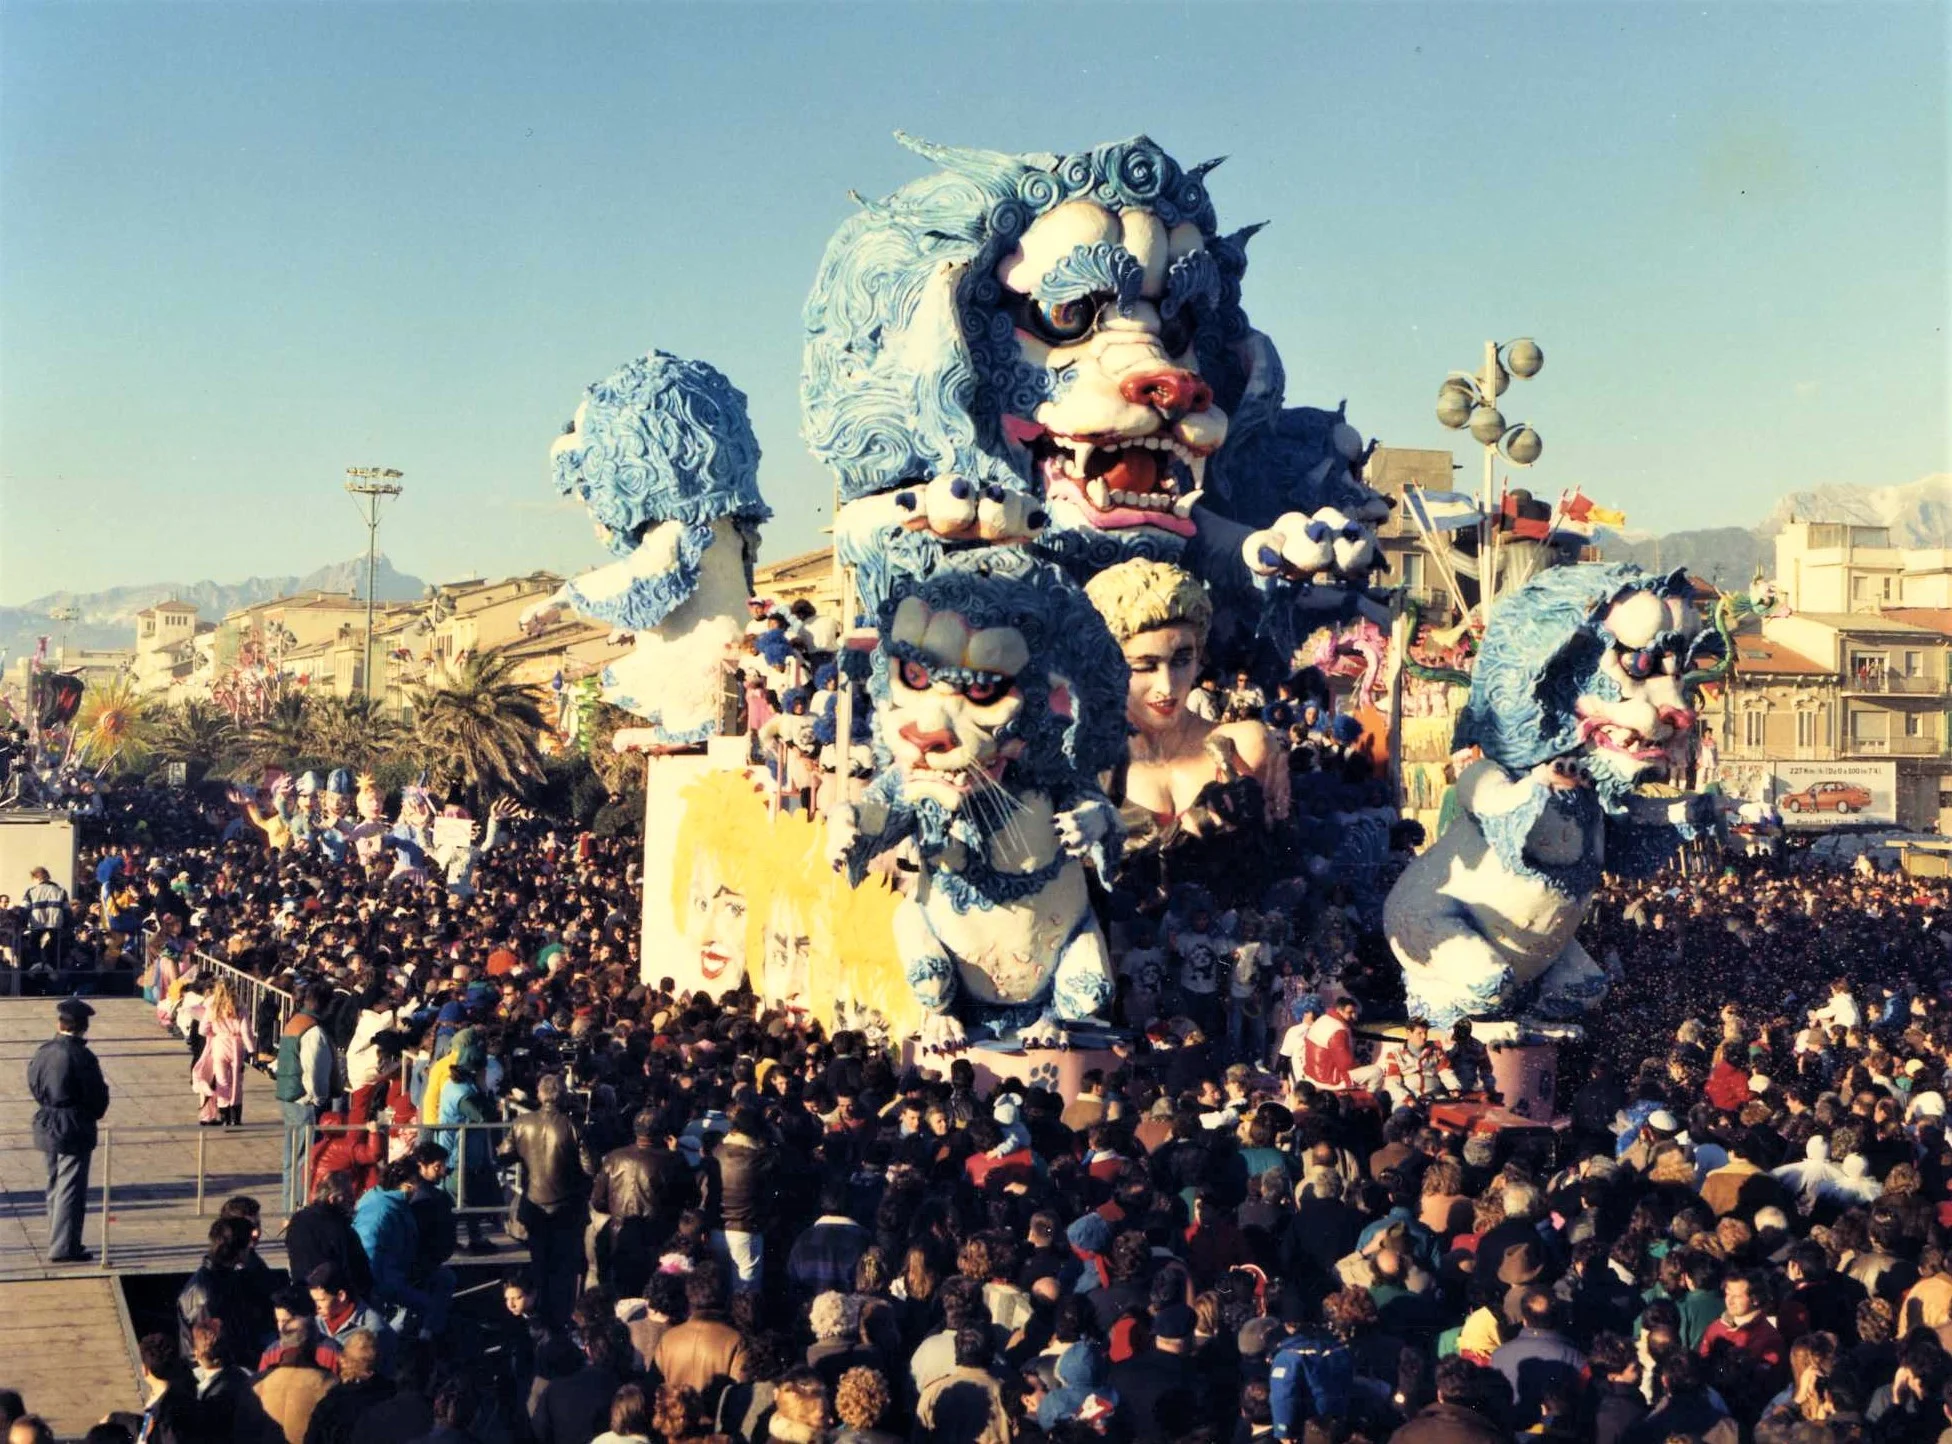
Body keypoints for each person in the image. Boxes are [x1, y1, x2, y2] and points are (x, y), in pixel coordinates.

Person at [27, 995, 110, 1262]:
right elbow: (96, 1095)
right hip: (73, 1123)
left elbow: (34, 1083)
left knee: (55, 1183)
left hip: (48, 1119)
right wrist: (93, 1110)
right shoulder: (80, 1055)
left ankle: (58, 1237)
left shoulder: (44, 1050)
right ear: (83, 1025)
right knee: (71, 1187)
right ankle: (64, 1247)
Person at [503, 1072, 589, 1326]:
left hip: (534, 1203)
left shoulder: (522, 1123)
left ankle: (540, 1319)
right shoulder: (571, 1125)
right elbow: (590, 1167)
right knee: (563, 1270)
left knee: (539, 1264)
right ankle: (558, 1321)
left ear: (540, 1095)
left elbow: (504, 1155)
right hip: (565, 1207)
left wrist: (526, 1156)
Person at [275, 983, 336, 1214]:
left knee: (292, 1158)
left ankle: (290, 1206)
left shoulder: (295, 1022)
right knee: (304, 1158)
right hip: (305, 1102)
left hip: (289, 1096)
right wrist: (319, 1098)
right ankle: (298, 1206)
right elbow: (314, 1072)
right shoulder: (313, 1031)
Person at [191, 978, 254, 1126]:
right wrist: (251, 1049)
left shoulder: (213, 1008)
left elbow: (202, 1029)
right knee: (236, 1081)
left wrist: (214, 1033)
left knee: (222, 1081)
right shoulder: (240, 1008)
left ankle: (224, 1114)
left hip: (219, 1043)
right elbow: (246, 1031)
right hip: (236, 1044)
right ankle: (235, 1116)